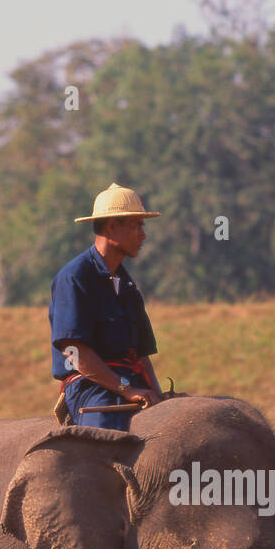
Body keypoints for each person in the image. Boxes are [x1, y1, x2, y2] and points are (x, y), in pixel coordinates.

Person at [49, 183, 166, 431]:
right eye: (136, 226)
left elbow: (141, 355)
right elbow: (73, 350)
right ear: (112, 227)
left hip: (131, 382)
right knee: (106, 441)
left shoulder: (128, 286)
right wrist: (125, 389)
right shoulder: (74, 277)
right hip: (92, 388)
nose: (143, 234)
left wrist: (159, 396)